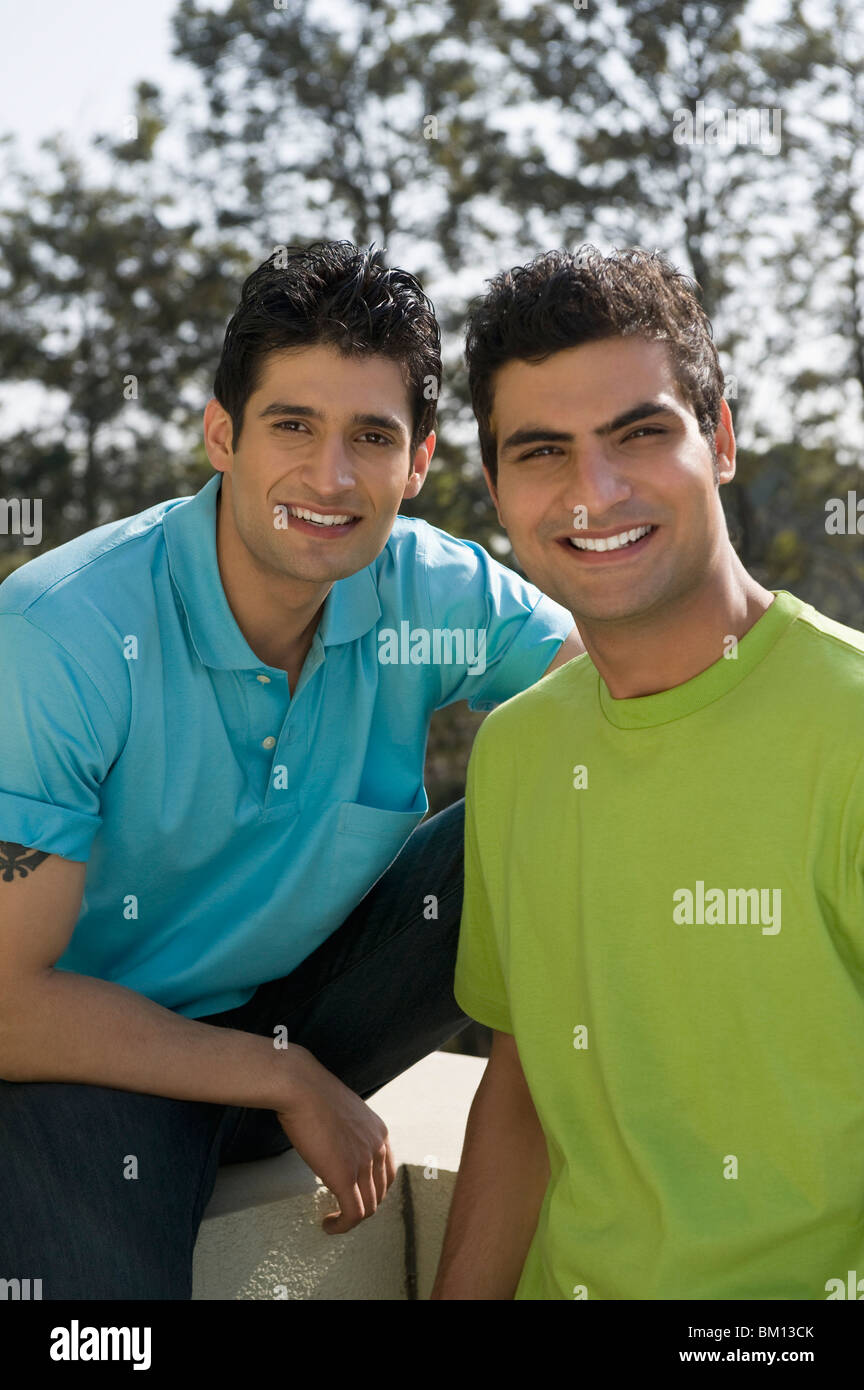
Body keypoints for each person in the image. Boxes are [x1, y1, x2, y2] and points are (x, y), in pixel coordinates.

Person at [0, 241, 581, 1300]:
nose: (331, 477)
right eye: (293, 426)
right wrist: (280, 1076)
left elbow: (631, 696)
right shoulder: (63, 634)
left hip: (310, 1002)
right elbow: (6, 1003)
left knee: (558, 771)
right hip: (91, 1052)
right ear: (222, 434)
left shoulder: (429, 591)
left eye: (371, 436)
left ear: (417, 462)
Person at [432, 246, 864, 1301]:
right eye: (543, 452)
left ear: (718, 440)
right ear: (497, 489)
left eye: (639, 434)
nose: (596, 491)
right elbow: (525, 1089)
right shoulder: (519, 750)